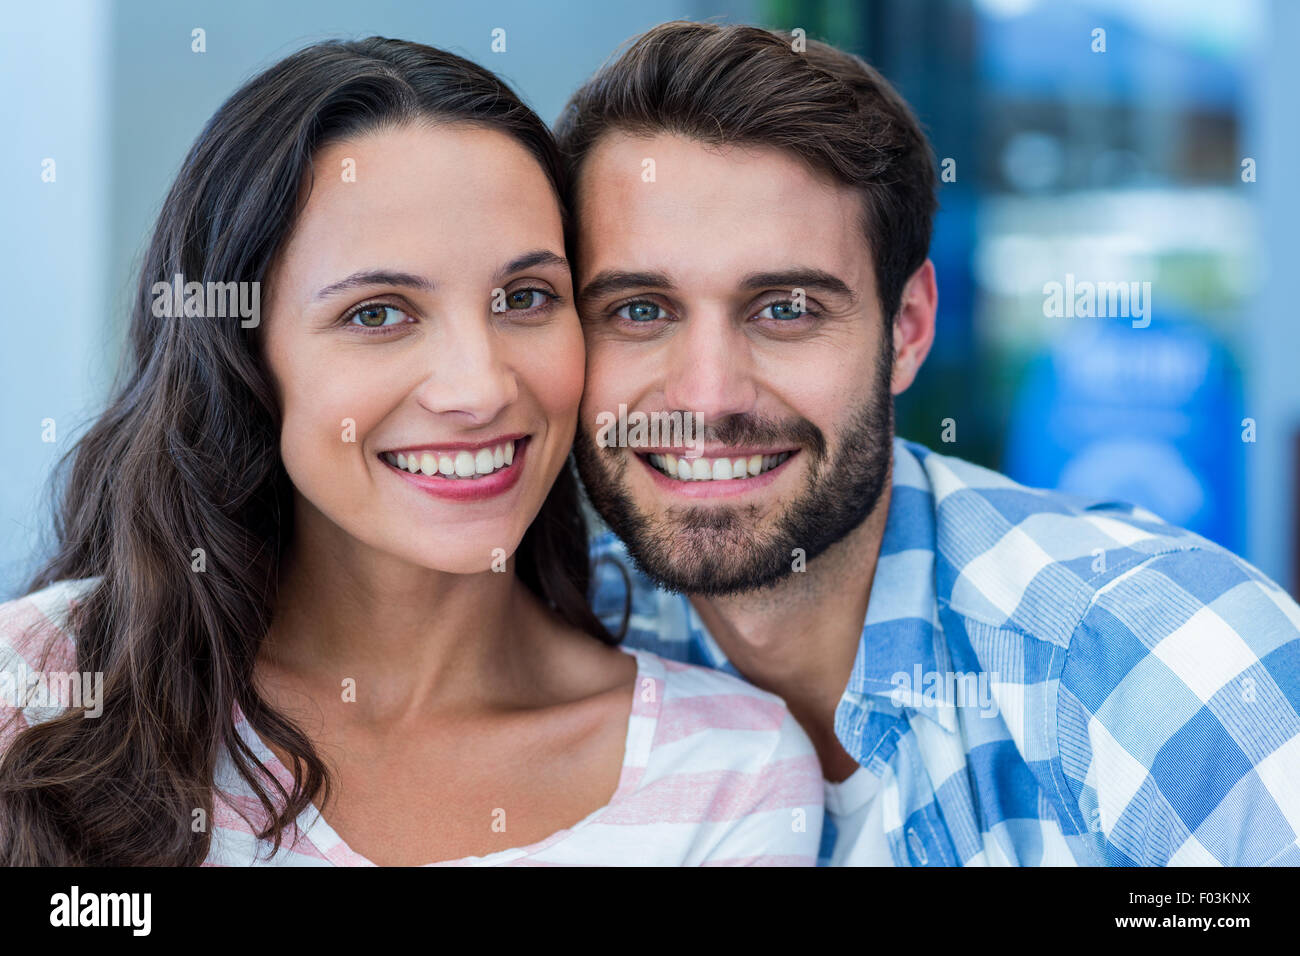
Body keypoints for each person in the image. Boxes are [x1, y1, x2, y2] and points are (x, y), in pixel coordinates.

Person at [0, 37, 822, 866]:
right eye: (377, 313)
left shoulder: (730, 771)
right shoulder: (35, 686)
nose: (480, 387)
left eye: (526, 297)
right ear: (242, 357)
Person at [556, 20, 1300, 866]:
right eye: (640, 311)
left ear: (908, 329)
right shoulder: (557, 650)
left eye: (787, 309)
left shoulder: (1163, 666)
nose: (709, 398)